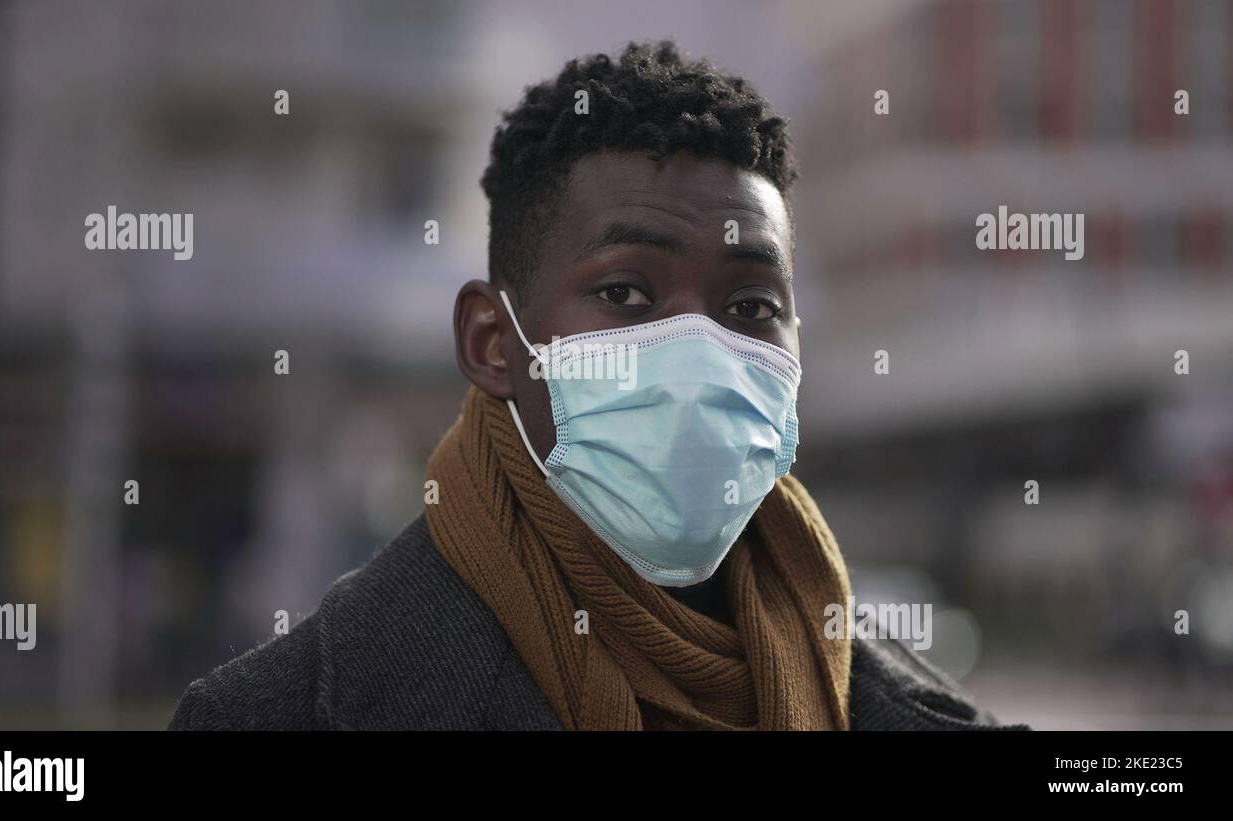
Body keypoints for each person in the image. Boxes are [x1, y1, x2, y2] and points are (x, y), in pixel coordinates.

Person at [169, 40, 1027, 731]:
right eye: (625, 292)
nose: (701, 350)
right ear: (493, 339)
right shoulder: (278, 713)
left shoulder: (909, 708)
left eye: (752, 303)